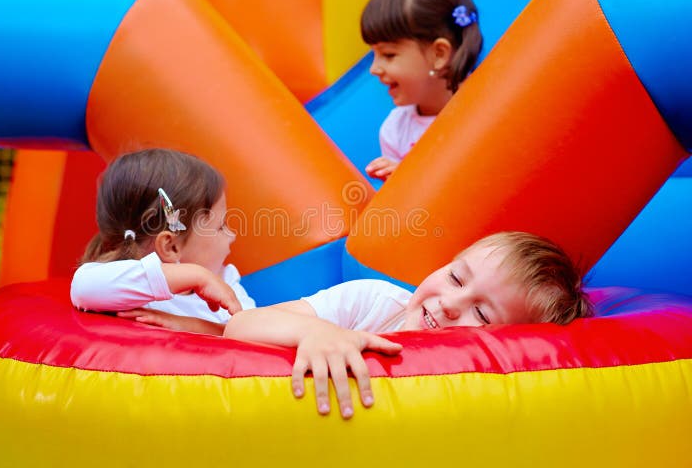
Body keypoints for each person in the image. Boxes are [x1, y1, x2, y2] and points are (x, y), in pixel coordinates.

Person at [223, 231, 592, 419]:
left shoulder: (478, 386)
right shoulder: (376, 302)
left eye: (481, 314)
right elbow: (240, 326)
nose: (448, 304)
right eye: (456, 279)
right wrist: (316, 332)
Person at [70, 149, 255, 335]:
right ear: (170, 246)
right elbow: (84, 287)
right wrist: (197, 276)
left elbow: (257, 332)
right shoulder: (134, 292)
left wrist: (191, 326)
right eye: (221, 226)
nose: (232, 236)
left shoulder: (226, 284)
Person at [362, 0, 483, 180]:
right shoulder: (395, 131)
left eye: (389, 55)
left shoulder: (488, 101)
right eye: (374, 54)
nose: (374, 69)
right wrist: (401, 182)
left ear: (439, 54)